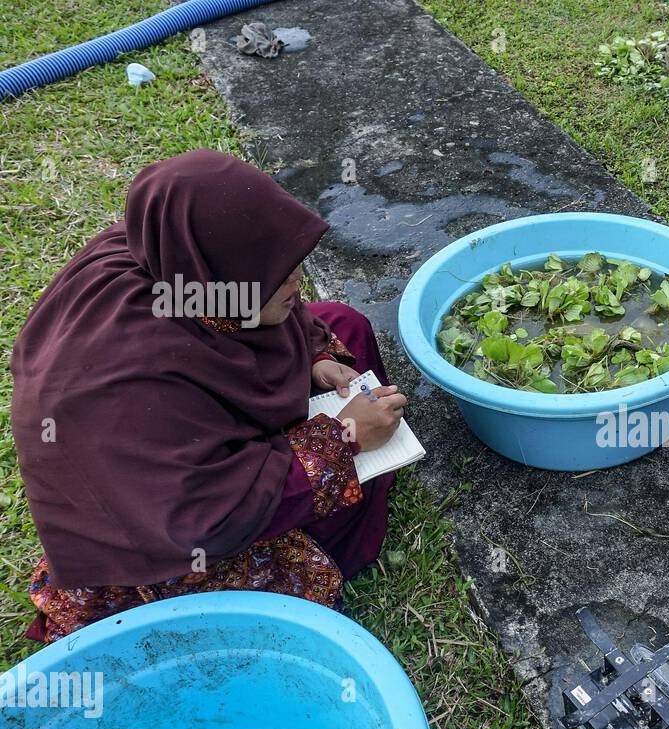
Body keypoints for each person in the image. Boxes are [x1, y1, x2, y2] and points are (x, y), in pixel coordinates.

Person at [11, 150, 408, 642]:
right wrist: (344, 439)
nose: (295, 281)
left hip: (195, 437)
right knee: (331, 519)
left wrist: (311, 357)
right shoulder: (132, 388)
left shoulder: (170, 253)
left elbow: (282, 306)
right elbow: (205, 518)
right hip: (166, 545)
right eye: (272, 275)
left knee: (343, 326)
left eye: (289, 263)